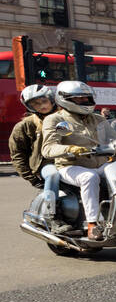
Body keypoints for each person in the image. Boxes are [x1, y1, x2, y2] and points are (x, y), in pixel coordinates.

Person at [41, 81, 109, 240]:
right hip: (70, 166)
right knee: (89, 178)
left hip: (100, 163)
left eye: (87, 98)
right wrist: (70, 149)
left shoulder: (98, 119)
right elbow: (48, 148)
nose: (84, 102)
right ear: (65, 99)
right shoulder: (54, 119)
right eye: (79, 99)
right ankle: (93, 224)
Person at [10, 84, 62, 221]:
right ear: (30, 107)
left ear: (51, 99)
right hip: (47, 164)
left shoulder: (66, 117)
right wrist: (32, 178)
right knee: (53, 174)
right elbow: (17, 155)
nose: (42, 106)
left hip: (72, 160)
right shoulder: (25, 125)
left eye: (44, 101)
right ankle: (51, 216)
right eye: (36, 104)